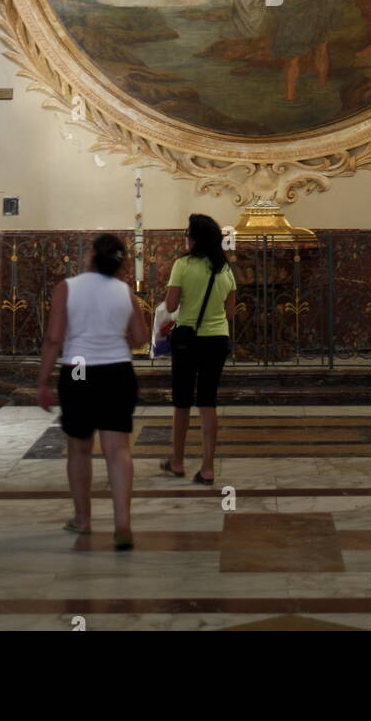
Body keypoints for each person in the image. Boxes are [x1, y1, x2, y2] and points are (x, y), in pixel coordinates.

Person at [38, 233, 148, 549]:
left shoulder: (67, 288)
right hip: (117, 371)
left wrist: (43, 381)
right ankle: (123, 523)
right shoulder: (125, 291)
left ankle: (83, 519)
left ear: (90, 256)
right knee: (118, 449)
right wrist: (114, 341)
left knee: (79, 448)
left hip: (80, 369)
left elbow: (55, 338)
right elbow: (140, 336)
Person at [162, 214, 237, 485]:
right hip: (216, 339)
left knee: (182, 402)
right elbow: (229, 312)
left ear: (194, 238)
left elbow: (170, 307)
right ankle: (207, 468)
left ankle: (178, 461)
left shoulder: (182, 265)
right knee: (208, 402)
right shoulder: (225, 268)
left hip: (187, 340)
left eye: (187, 233)